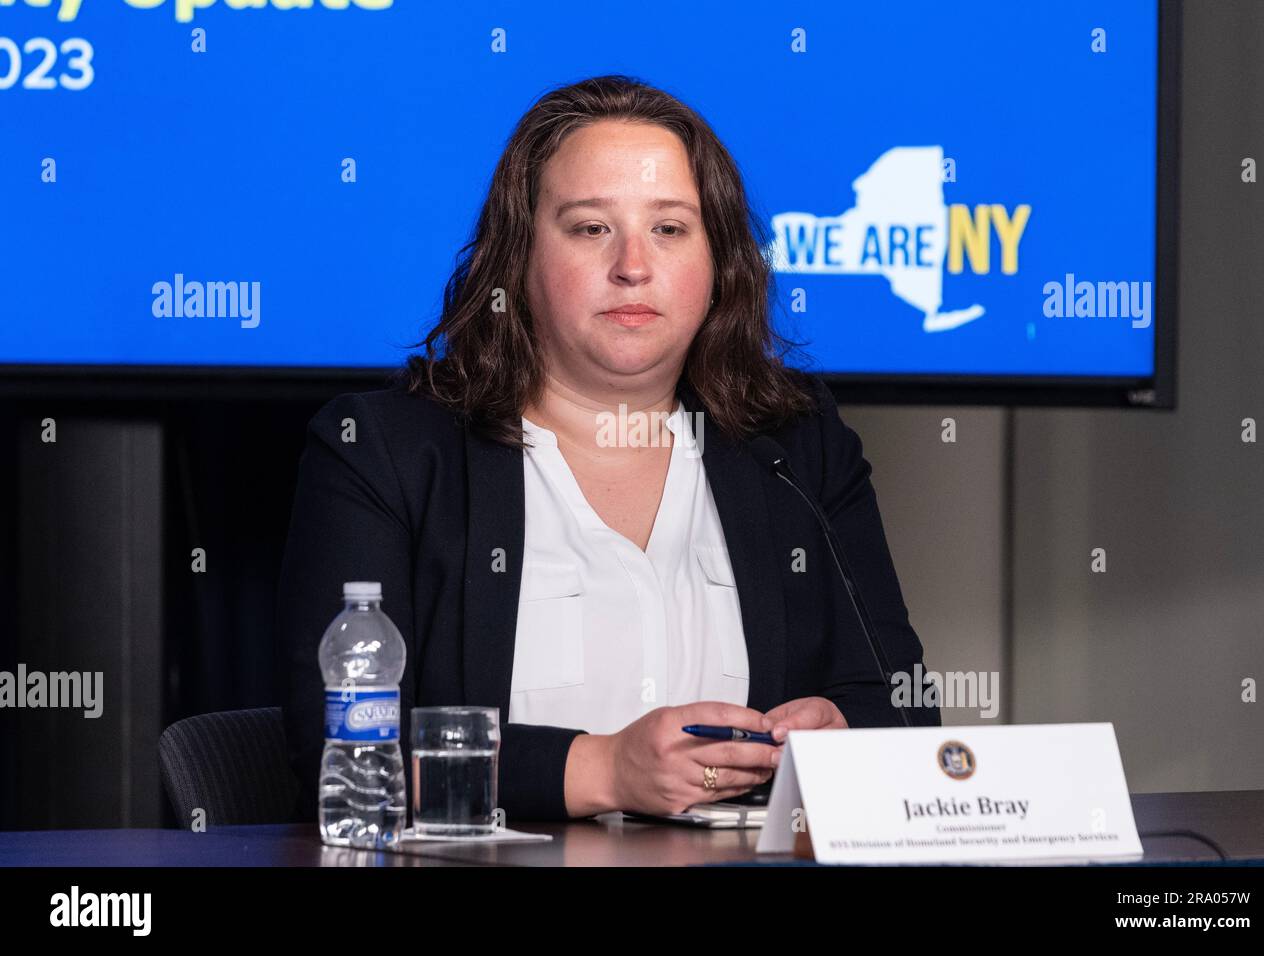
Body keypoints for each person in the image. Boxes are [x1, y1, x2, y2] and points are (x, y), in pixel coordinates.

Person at [275, 74, 939, 825]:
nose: (633, 265)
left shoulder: (794, 444)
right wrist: (602, 768)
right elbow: (348, 756)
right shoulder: (384, 452)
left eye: (670, 228)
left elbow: (906, 708)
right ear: (518, 259)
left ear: (720, 265)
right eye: (591, 228)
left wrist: (840, 738)